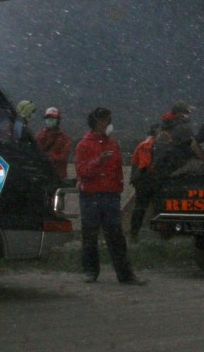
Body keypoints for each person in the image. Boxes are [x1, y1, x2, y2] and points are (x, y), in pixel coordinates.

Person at [74, 107, 145, 285]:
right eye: (107, 120)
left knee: (116, 236)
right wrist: (99, 161)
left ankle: (125, 274)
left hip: (110, 195)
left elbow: (117, 168)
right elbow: (82, 171)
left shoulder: (112, 143)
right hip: (91, 195)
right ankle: (91, 271)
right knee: (90, 235)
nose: (109, 124)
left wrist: (118, 188)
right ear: (98, 122)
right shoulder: (83, 145)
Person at [156, 101, 204, 176]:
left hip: (160, 165)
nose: (188, 115)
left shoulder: (161, 127)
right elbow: (194, 146)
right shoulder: (183, 128)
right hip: (176, 165)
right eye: (187, 112)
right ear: (179, 114)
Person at [128, 124, 159, 242]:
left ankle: (134, 233)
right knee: (157, 206)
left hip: (142, 178)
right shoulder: (159, 145)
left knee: (140, 207)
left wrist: (133, 179)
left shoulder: (141, 145)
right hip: (154, 178)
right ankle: (160, 233)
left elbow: (134, 162)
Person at [35, 106, 72, 181]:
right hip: (42, 176)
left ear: (58, 120)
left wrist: (48, 157)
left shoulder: (65, 138)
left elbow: (63, 156)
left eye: (53, 118)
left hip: (58, 176)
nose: (50, 120)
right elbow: (36, 153)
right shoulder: (39, 135)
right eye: (48, 118)